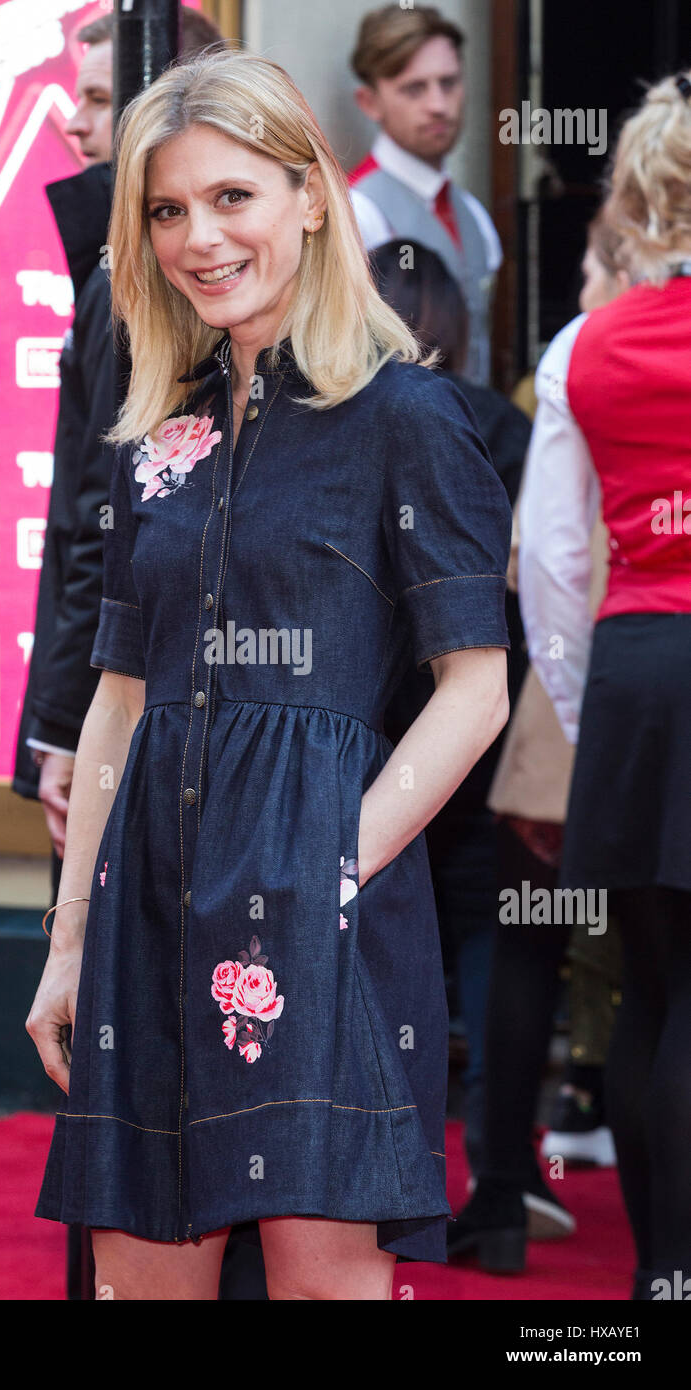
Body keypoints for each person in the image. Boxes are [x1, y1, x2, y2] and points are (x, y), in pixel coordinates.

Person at [26, 46, 511, 1302]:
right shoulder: (159, 428)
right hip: (148, 904)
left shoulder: (405, 414)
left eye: (232, 196)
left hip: (323, 904)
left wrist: (332, 861)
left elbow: (476, 684)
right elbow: (119, 698)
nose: (199, 238)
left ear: (309, 193)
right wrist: (68, 942)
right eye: (168, 209)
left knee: (318, 1290)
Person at [10, 3, 233, 1301]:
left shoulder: (152, 270)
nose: (70, 121)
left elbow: (94, 531)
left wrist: (66, 721)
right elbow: (87, 520)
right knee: (118, 1084)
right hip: (122, 709)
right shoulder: (117, 265)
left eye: (94, 98)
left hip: (203, 738)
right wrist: (62, 727)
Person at [518, 72, 691, 1300]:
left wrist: (588, 717)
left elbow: (549, 560)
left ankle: (664, 1274)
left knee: (649, 988)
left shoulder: (582, 345)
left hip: (634, 674)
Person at [447, 206, 629, 1274]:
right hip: (626, 669)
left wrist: (557, 699)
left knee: (522, 943)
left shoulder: (576, 364)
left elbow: (538, 559)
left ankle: (504, 1198)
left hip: (580, 671)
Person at [369, 239, 530, 1181]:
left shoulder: (371, 414)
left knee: (398, 925)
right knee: (481, 925)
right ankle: (492, 1178)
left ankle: (389, 1143)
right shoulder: (495, 427)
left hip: (386, 712)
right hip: (473, 700)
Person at [347, 5, 502, 385]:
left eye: (448, 83)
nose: (438, 105)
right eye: (415, 88)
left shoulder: (474, 215)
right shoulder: (357, 211)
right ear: (369, 101)